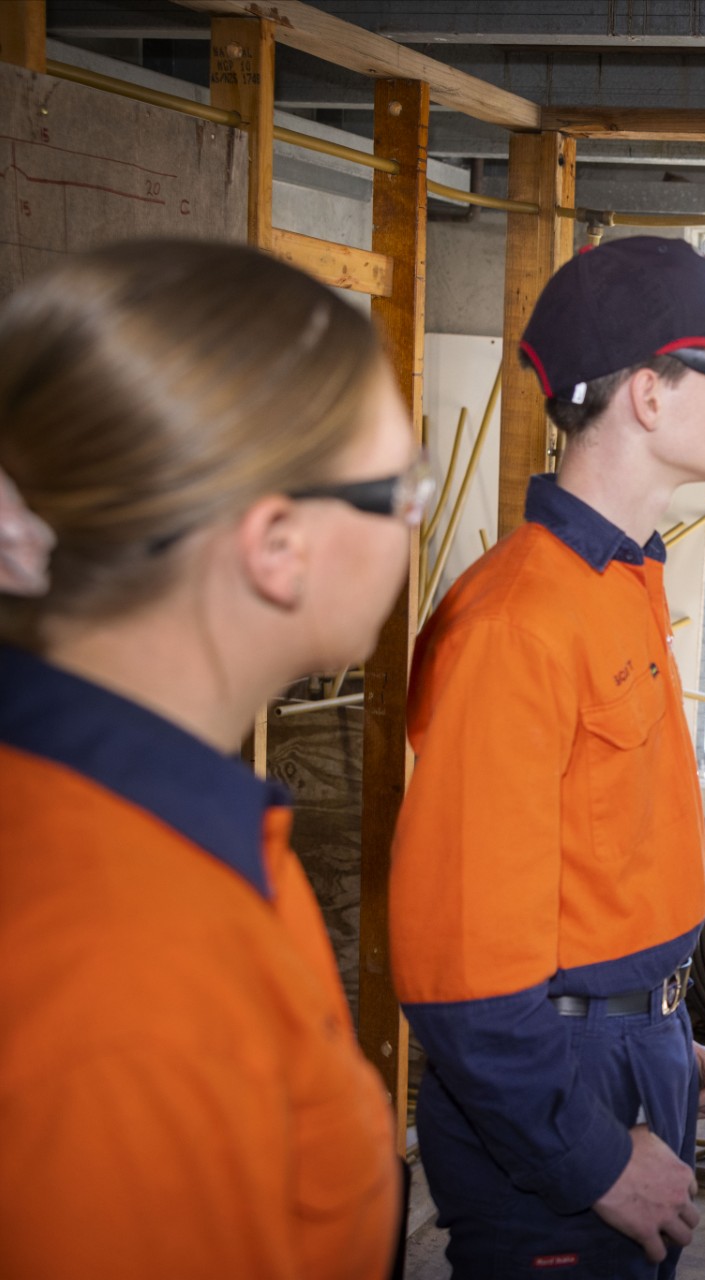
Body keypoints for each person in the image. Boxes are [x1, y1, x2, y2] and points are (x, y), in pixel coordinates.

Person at [0, 241, 420, 1277]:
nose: (414, 525)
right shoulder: (132, 982)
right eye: (400, 492)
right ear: (277, 546)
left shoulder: (149, 824)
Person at [390, 235, 705, 1277]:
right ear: (650, 397)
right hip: (550, 1083)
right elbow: (461, 975)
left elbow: (596, 857)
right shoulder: (516, 622)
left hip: (624, 1046)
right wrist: (594, 1157)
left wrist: (661, 1024)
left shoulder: (620, 582)